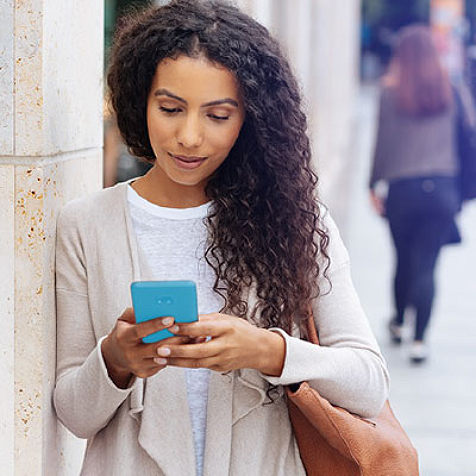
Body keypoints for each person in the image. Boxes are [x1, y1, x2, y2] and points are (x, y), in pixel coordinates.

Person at [54, 1, 389, 474]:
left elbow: (370, 385)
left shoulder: (296, 218)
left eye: (218, 115)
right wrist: (115, 357)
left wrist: (267, 351)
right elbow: (73, 413)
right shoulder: (85, 224)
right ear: (139, 99)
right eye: (170, 108)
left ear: (250, 119)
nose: (189, 137)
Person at [369, 25, 463, 364]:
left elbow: (382, 144)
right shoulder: (450, 91)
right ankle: (420, 340)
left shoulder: (389, 92)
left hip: (402, 191)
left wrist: (372, 183)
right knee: (427, 265)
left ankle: (397, 322)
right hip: (441, 190)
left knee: (404, 260)